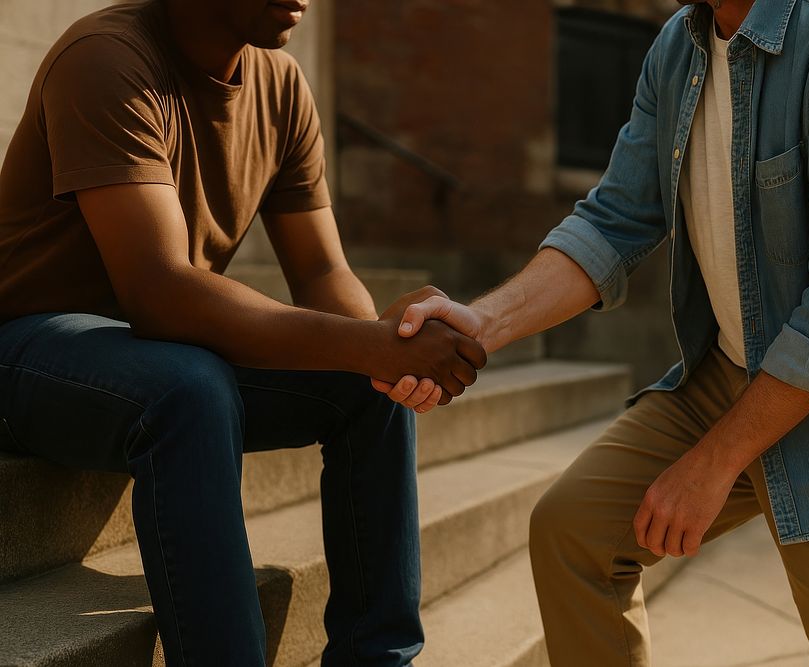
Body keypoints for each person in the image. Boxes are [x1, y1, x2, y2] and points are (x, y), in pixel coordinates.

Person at [378, 0, 809, 664]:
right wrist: (481, 323)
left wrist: (715, 462)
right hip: (731, 373)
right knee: (575, 532)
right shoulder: (678, 48)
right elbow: (614, 220)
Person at [0, 1, 485, 665]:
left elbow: (319, 268)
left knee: (361, 380)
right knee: (190, 388)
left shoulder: (281, 85)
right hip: (28, 349)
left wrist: (387, 345)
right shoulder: (107, 59)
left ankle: (379, 657)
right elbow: (160, 291)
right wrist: (368, 343)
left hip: (151, 351)